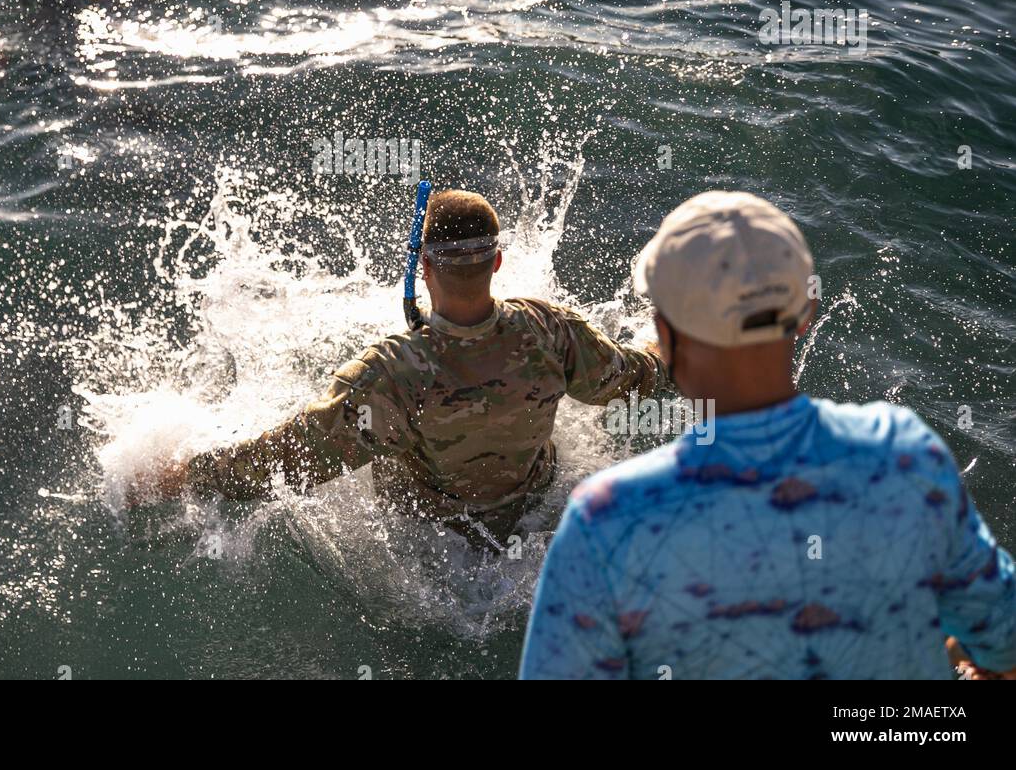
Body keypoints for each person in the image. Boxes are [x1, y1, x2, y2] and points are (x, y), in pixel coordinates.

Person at [520, 190, 1016, 679]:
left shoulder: (606, 517)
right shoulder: (904, 454)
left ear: (664, 336)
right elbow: (1006, 640)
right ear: (806, 314)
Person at [128, 188, 666, 547]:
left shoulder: (393, 373)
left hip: (437, 539)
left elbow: (293, 457)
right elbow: (631, 379)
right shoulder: (551, 331)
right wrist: (664, 346)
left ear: (424, 265)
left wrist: (184, 475)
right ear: (497, 261)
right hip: (534, 512)